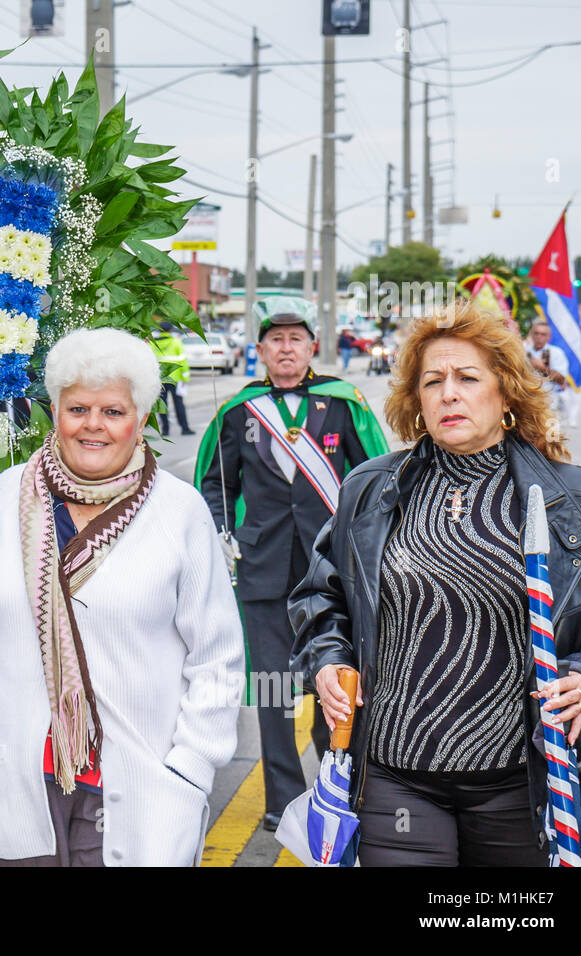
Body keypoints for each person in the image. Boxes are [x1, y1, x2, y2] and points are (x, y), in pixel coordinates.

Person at [290, 304, 581, 866]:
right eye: (432, 381)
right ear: (417, 402)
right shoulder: (370, 490)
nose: (448, 394)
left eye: (467, 378)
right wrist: (328, 659)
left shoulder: (573, 501)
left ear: (506, 396)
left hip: (519, 782)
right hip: (395, 777)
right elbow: (322, 596)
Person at [0, 327, 244, 866]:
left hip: (140, 786)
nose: (93, 425)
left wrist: (191, 767)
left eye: (113, 412)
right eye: (78, 409)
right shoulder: (9, 497)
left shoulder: (179, 512)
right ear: (54, 411)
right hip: (24, 782)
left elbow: (216, 658)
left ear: (140, 420)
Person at [194, 295, 390, 831]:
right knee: (275, 690)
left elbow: (375, 476)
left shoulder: (343, 403)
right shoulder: (237, 413)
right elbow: (215, 480)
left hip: (331, 574)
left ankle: (341, 787)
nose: (285, 348)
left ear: (312, 347)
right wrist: (219, 532)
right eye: (275, 339)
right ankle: (282, 801)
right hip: (263, 569)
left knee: (340, 680)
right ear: (260, 349)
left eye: (295, 339)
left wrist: (371, 545)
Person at [149, 321, 193, 437]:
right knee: (179, 404)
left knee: (162, 405)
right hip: (175, 379)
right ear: (170, 330)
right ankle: (185, 428)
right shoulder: (176, 342)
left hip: (161, 380)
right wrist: (185, 378)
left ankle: (165, 429)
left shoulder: (153, 344)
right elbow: (183, 361)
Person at [525, 319, 571, 424]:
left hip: (550, 406)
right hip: (527, 406)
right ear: (532, 335)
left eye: (543, 334)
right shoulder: (524, 351)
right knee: (530, 439)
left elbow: (561, 379)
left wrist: (542, 368)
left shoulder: (556, 353)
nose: (539, 337)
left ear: (548, 337)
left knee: (551, 438)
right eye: (536, 333)